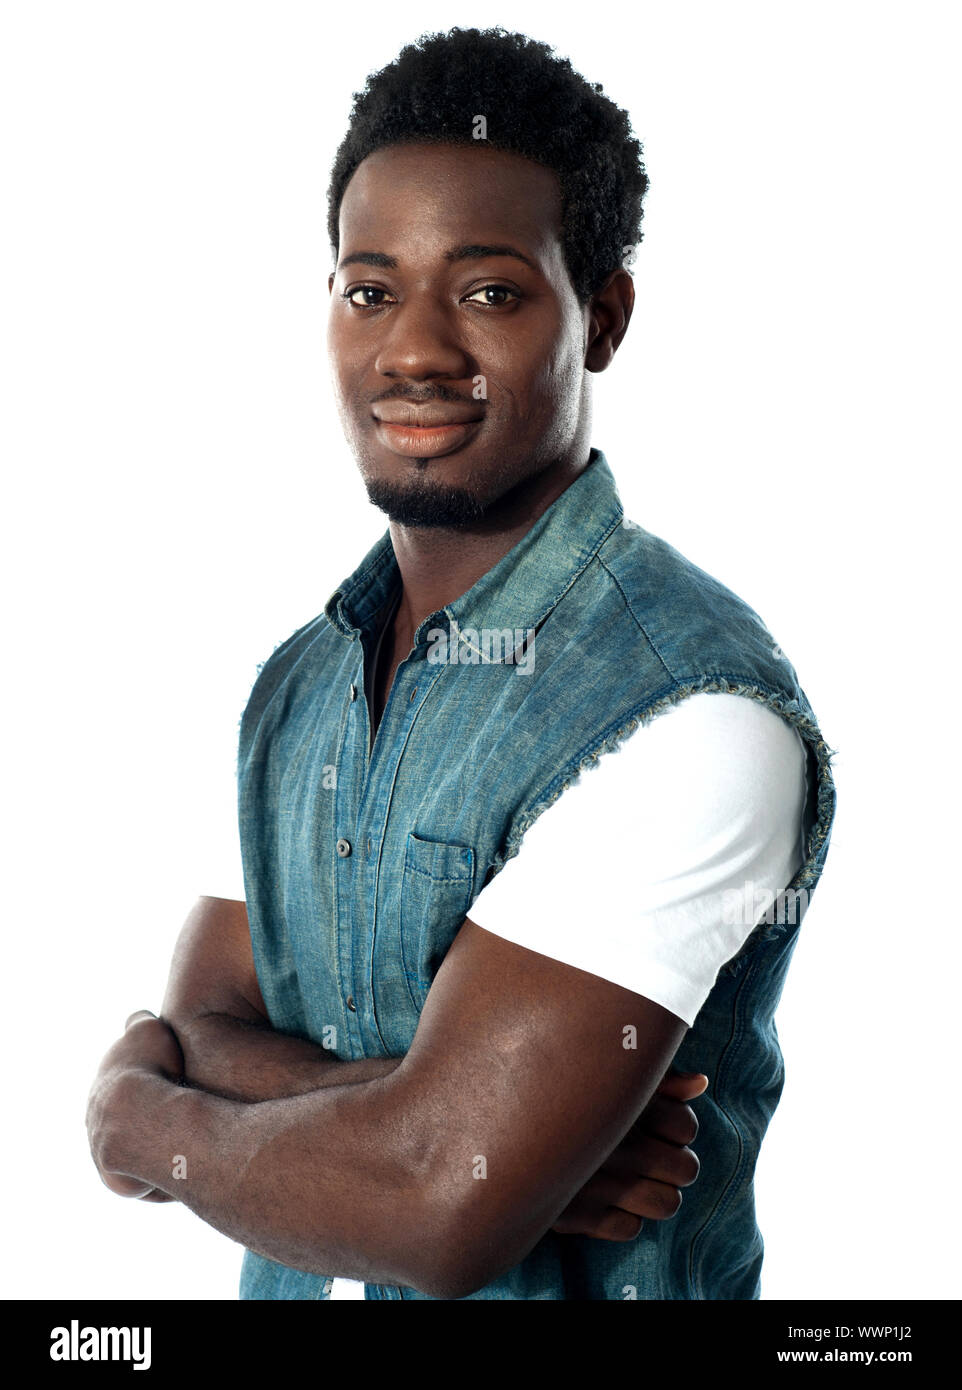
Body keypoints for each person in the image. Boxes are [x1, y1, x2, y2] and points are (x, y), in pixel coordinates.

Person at [86, 27, 837, 1301]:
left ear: (600, 317)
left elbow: (436, 1208)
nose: (414, 350)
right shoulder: (298, 686)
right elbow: (207, 1024)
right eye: (369, 289)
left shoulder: (686, 708)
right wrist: (437, 1122)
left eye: (487, 291)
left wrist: (129, 1120)